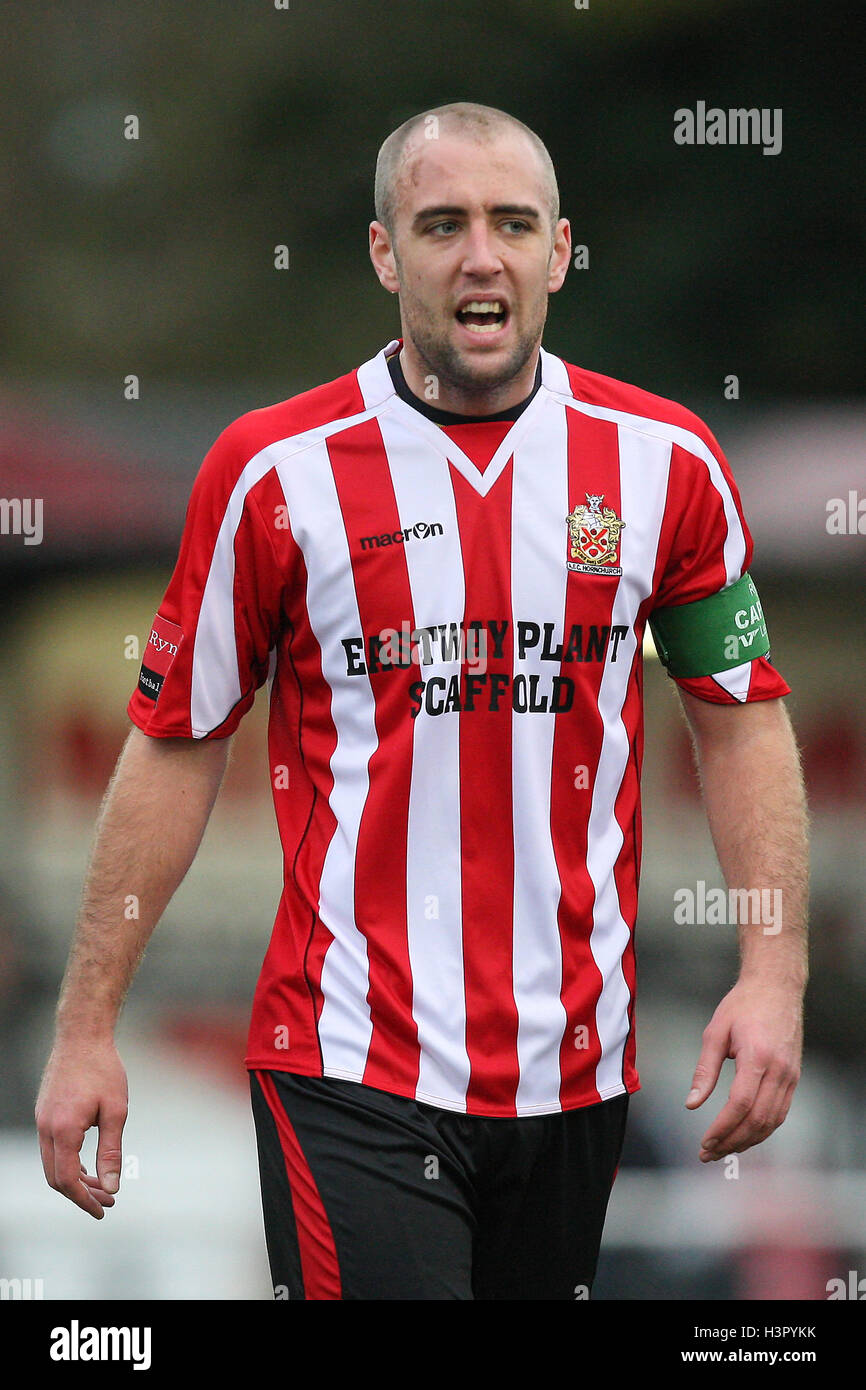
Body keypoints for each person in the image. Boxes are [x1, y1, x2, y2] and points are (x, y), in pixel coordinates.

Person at [36, 101, 809, 1300]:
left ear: (557, 251)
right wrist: (88, 1024)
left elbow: (741, 716)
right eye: (441, 224)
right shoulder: (271, 471)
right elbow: (174, 744)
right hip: (346, 1056)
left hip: (575, 1069)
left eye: (512, 223)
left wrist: (771, 973)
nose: (479, 256)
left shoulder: (664, 465)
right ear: (385, 253)